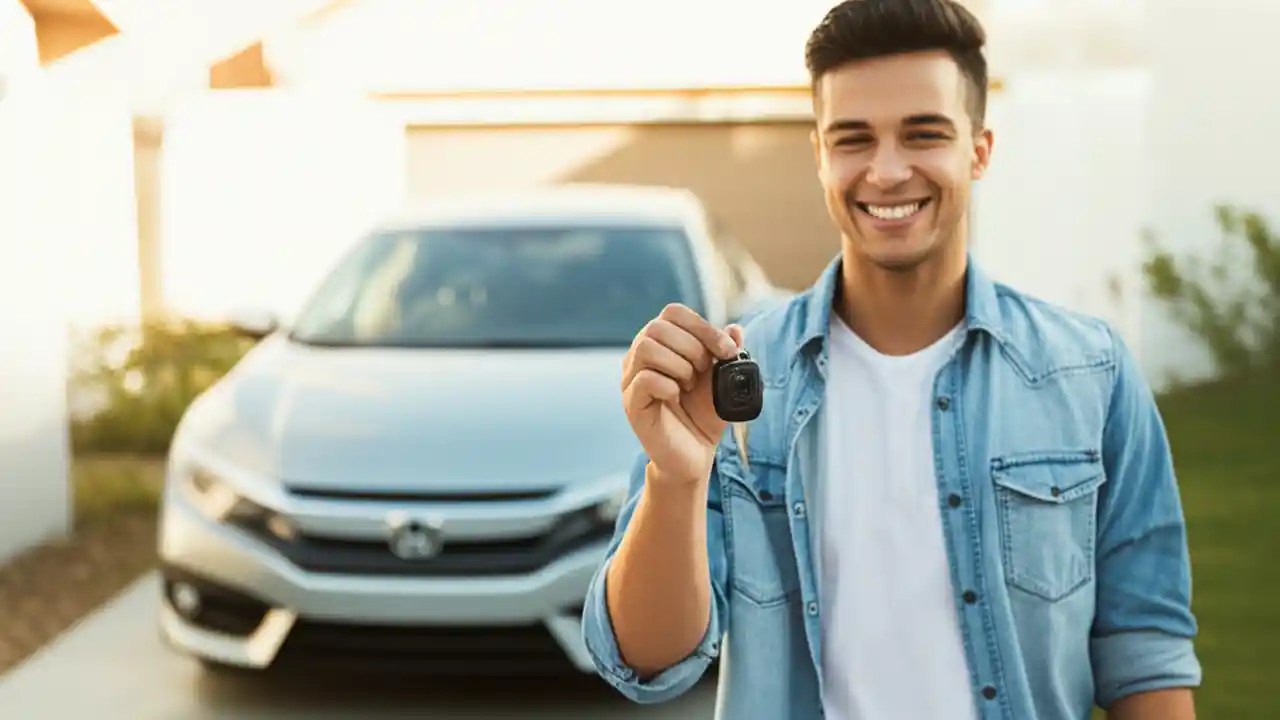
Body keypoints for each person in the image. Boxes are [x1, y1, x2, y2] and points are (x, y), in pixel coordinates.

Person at [580, 0, 1202, 718]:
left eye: (923, 134)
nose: (886, 170)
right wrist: (675, 478)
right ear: (818, 155)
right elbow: (648, 661)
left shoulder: (1091, 373)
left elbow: (1144, 656)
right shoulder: (733, 380)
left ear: (980, 149)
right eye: (853, 139)